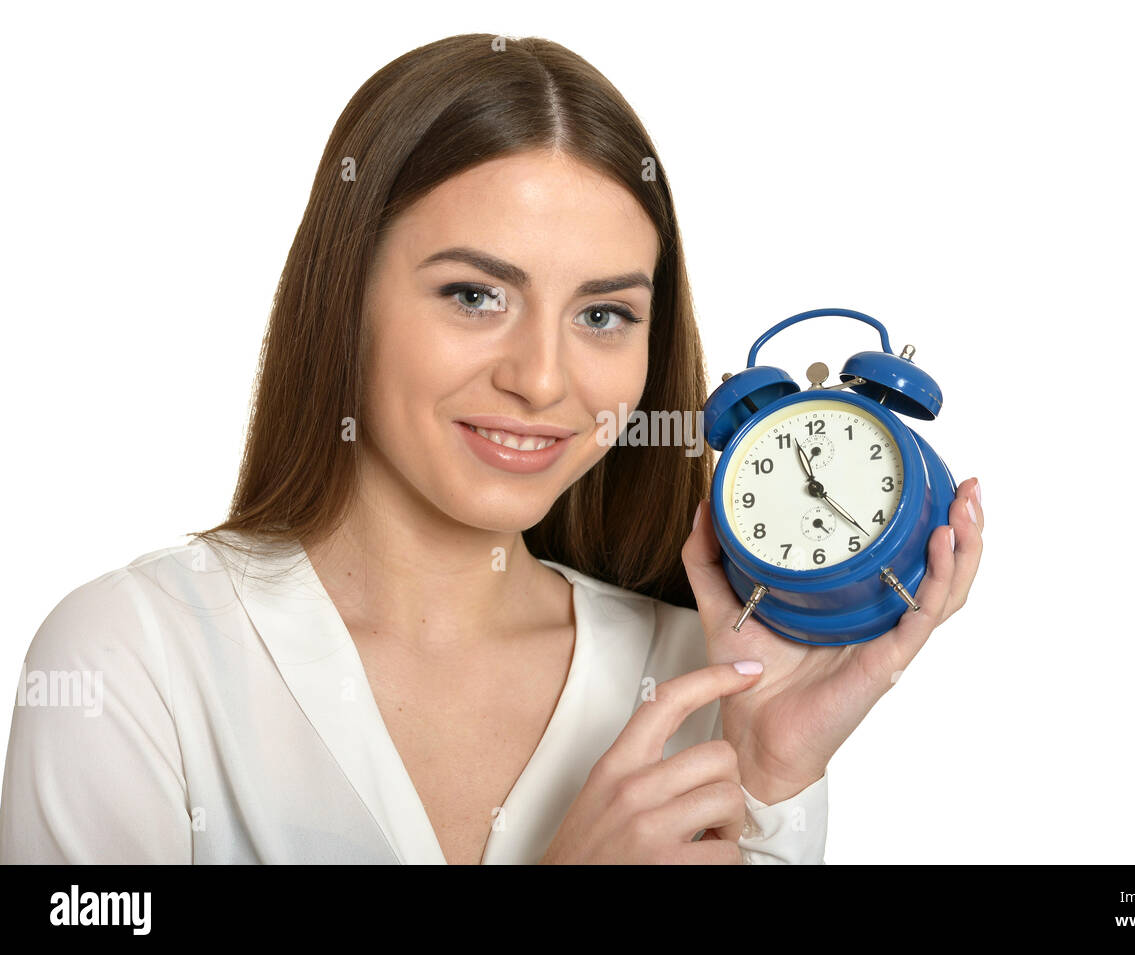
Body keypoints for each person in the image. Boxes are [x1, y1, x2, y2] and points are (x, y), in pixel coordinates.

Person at [0, 33, 983, 865]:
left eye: (602, 313)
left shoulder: (697, 673)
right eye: (476, 295)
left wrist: (772, 781)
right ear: (346, 296)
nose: (544, 380)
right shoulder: (139, 657)